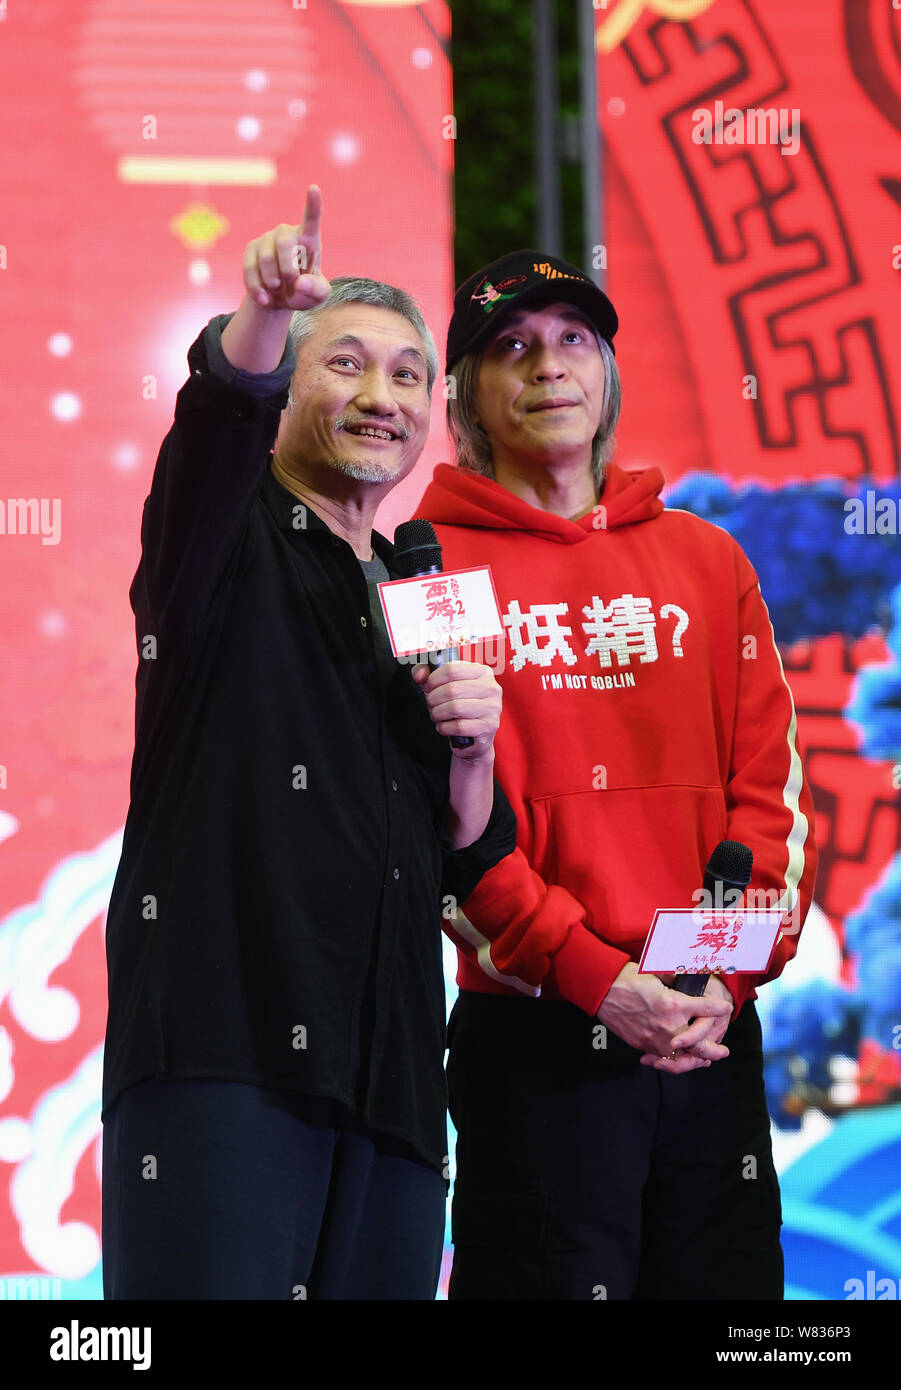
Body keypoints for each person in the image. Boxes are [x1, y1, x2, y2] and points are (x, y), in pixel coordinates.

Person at [100, 187, 516, 1301]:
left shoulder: (417, 587)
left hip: (388, 1091)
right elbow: (218, 421)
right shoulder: (221, 541)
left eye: (406, 376)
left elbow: (468, 859)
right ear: (286, 384)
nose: (380, 397)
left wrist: (472, 752)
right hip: (221, 1062)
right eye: (344, 365)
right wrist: (265, 315)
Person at [415, 249, 818, 1300]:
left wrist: (717, 982)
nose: (548, 367)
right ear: (463, 393)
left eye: (573, 341)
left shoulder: (705, 560)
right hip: (537, 1039)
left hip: (704, 1033)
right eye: (512, 347)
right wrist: (599, 980)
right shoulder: (425, 567)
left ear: (606, 375)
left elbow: (768, 796)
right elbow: (445, 826)